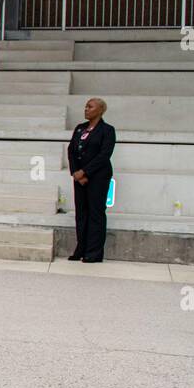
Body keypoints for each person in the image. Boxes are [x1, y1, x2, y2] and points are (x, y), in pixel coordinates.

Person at [68, 97, 116, 264]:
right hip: (79, 178)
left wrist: (85, 171)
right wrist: (75, 172)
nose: (86, 109)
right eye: (86, 106)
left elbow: (104, 154)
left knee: (95, 213)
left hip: (98, 177)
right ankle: (81, 248)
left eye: (90, 106)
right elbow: (71, 150)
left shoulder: (107, 130)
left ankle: (94, 252)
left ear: (100, 110)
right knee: (81, 213)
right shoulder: (80, 128)